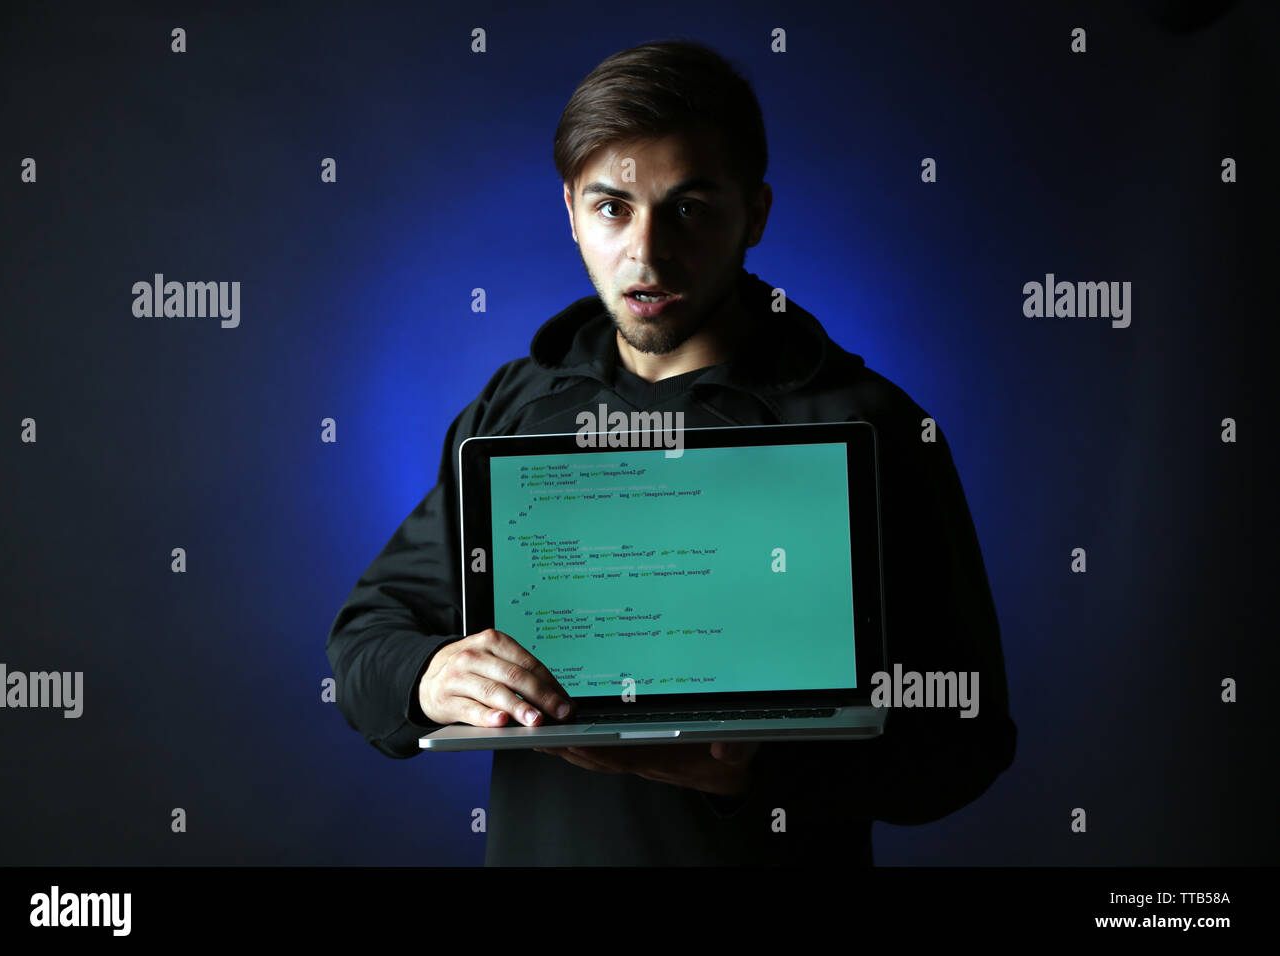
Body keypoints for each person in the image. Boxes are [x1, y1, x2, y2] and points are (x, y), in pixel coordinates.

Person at [326, 39, 1016, 865]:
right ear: (571, 213)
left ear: (754, 214)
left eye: (688, 209)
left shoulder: (875, 426)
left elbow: (967, 739)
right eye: (612, 207)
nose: (646, 255)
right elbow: (366, 640)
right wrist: (427, 674)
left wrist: (764, 770)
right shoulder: (510, 411)